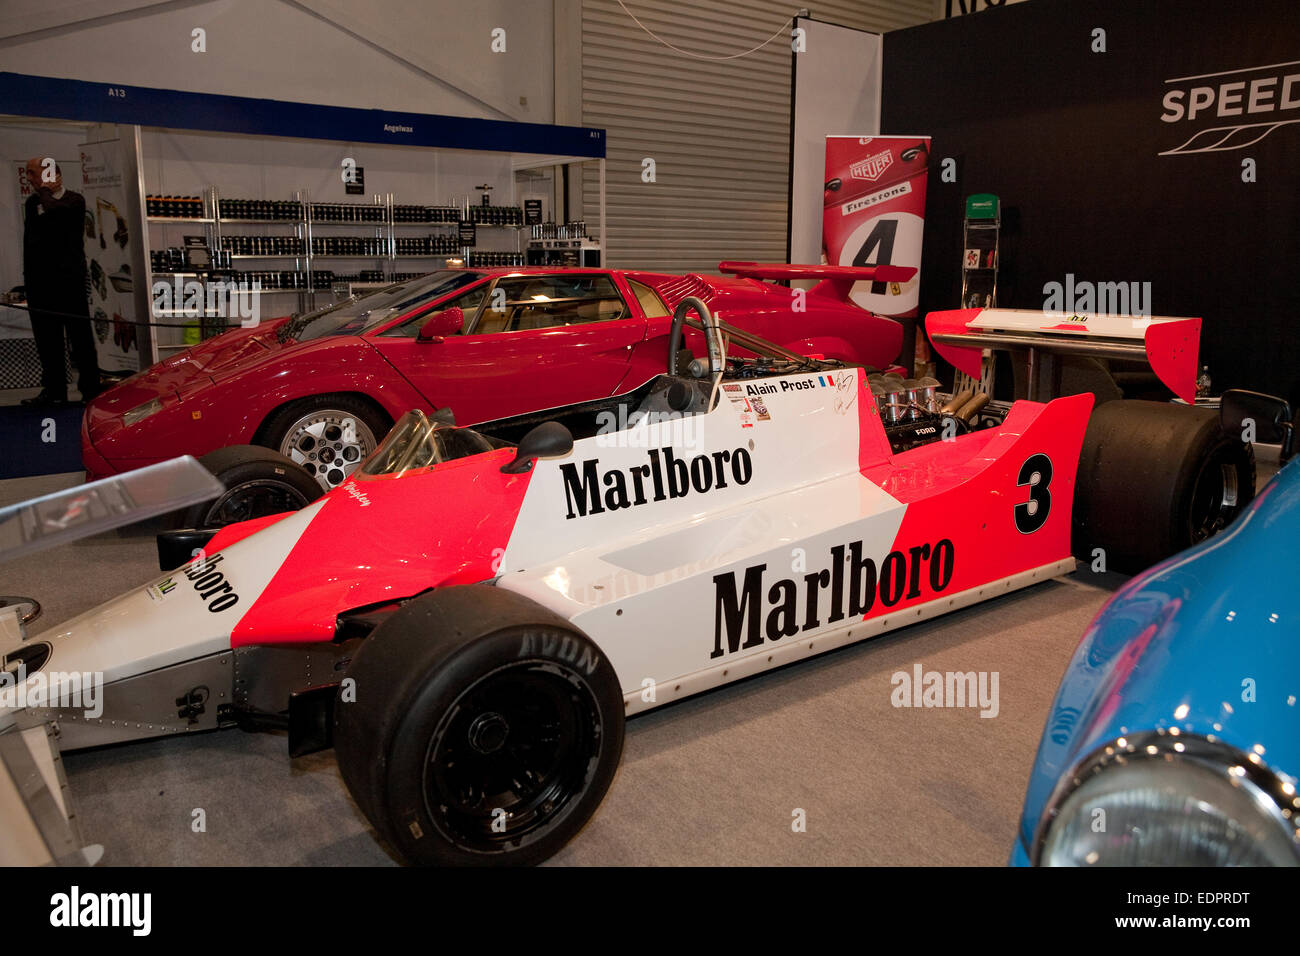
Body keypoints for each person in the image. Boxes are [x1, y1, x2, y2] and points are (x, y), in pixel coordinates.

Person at [21, 156, 101, 405]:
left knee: (81, 339)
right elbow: (33, 240)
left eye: (33, 173)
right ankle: (54, 391)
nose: (29, 179)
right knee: (47, 341)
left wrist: (45, 192)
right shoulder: (33, 202)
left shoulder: (74, 201)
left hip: (69, 285)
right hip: (40, 286)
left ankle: (90, 391)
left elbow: (57, 216)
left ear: (50, 175)